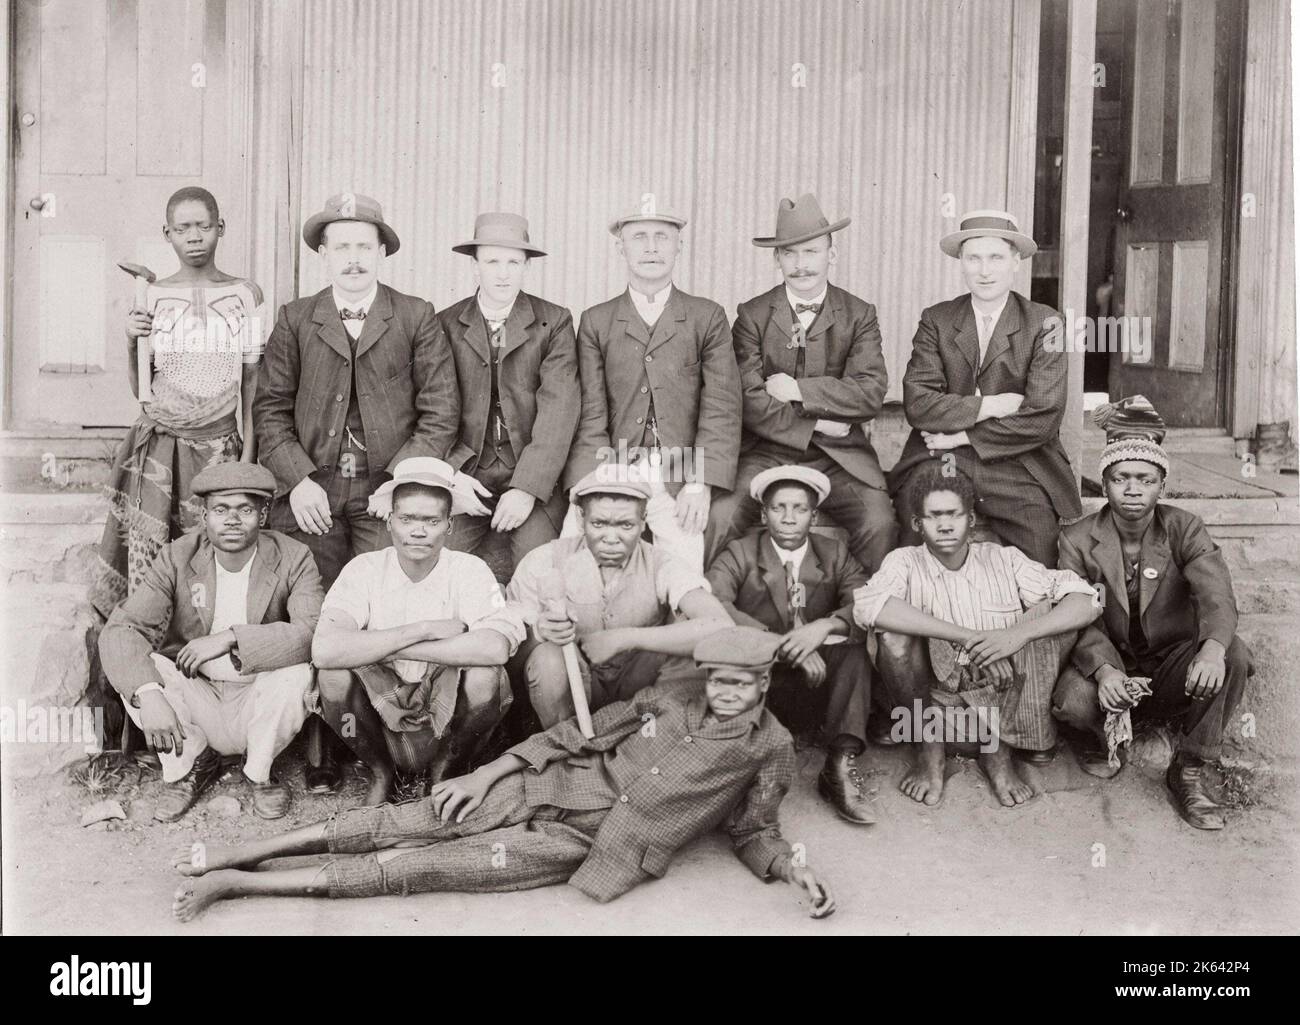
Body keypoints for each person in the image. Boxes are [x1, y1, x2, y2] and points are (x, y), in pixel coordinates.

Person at [169, 627, 835, 923]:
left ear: (763, 682)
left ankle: (233, 887)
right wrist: (484, 775)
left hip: (591, 844)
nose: (723, 691)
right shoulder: (668, 697)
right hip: (551, 782)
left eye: (739, 683)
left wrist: (792, 869)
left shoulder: (767, 746)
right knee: (410, 818)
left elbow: (754, 827)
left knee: (419, 867)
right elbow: (575, 733)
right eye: (717, 678)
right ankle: (243, 853)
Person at [254, 192, 461, 791]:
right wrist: (298, 481)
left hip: (384, 490)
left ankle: (395, 747)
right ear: (322, 253)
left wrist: (398, 480)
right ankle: (321, 749)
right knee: (314, 612)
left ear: (381, 253)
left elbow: (439, 412)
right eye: (340, 247)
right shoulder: (297, 318)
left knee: (387, 608)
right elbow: (269, 412)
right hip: (315, 489)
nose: (352, 259)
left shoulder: (415, 315)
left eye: (363, 247)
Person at [1053, 396, 1252, 831]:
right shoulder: (1077, 538)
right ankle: (1107, 738)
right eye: (1120, 478)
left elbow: (1217, 596)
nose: (1132, 489)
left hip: (1168, 668)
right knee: (1070, 702)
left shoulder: (1184, 528)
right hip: (1112, 666)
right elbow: (1076, 613)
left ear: (1162, 485)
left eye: (1145, 479)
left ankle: (1189, 768)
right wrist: (1106, 673)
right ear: (1103, 484)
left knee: (1233, 655)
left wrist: (1212, 649)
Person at [852, 464, 1099, 808]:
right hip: (930, 711)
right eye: (934, 516)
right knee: (892, 636)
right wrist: (969, 639)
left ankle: (998, 755)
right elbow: (868, 608)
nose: (945, 524)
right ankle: (930, 754)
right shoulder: (904, 562)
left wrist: (1013, 638)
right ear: (917, 524)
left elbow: (1086, 601)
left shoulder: (1005, 559)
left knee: (1044, 611)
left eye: (954, 514)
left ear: (971, 520)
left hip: (1005, 704)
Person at [98, 463, 322, 821]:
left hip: (257, 700)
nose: (232, 520)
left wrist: (230, 638)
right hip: (196, 697)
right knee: (142, 671)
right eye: (220, 510)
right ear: (204, 516)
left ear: (263, 515)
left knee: (297, 673)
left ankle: (260, 772)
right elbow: (123, 630)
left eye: (245, 510)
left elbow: (312, 632)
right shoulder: (178, 556)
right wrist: (149, 693)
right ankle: (191, 765)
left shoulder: (294, 556)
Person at [90, 186, 265, 617]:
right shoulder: (152, 297)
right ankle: (149, 639)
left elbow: (252, 380)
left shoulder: (245, 295)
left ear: (220, 228)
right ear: (166, 233)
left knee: (210, 547)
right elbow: (142, 391)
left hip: (219, 444)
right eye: (183, 228)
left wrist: (249, 449)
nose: (194, 236)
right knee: (154, 552)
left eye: (204, 226)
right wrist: (131, 340)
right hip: (161, 446)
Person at [311, 458, 527, 806]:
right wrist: (423, 630)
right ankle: (381, 771)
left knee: (486, 677)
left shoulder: (470, 569)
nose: (418, 531)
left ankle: (447, 769)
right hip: (380, 709)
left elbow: (494, 649)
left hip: (446, 704)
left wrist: (389, 647)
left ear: (450, 526)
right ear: (391, 521)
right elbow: (325, 650)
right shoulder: (364, 568)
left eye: (431, 520)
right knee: (332, 677)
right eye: (407, 519)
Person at [705, 194, 896, 575]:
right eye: (789, 254)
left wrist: (797, 390)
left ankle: (868, 623)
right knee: (719, 517)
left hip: (839, 455)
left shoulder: (859, 314)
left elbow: (869, 392)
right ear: (776, 259)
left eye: (811, 251)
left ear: (832, 254)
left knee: (880, 523)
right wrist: (819, 422)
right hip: (766, 450)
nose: (801, 264)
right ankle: (711, 621)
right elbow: (749, 398)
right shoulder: (753, 315)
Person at [889, 210, 1081, 568]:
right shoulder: (938, 319)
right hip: (941, 459)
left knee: (1040, 547)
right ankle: (920, 619)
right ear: (960, 263)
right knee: (918, 523)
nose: (985, 270)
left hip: (1017, 462)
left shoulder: (1047, 323)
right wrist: (990, 405)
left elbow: (1042, 417)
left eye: (996, 257)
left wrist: (961, 436)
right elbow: (919, 403)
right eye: (973, 258)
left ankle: (1031, 624)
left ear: (1016, 263)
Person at [564, 201, 742, 571]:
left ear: (679, 246)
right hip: (613, 464)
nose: (651, 247)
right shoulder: (597, 321)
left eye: (663, 237)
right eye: (639, 237)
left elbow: (721, 407)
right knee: (572, 558)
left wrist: (700, 482)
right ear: (621, 248)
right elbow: (591, 412)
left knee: (683, 570)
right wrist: (590, 482)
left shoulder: (706, 316)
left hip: (680, 472)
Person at [707, 465, 875, 824]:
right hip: (764, 685)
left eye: (799, 509)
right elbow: (714, 603)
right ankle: (746, 769)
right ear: (764, 513)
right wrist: (782, 644)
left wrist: (824, 626)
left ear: (814, 517)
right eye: (779, 508)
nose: (788, 518)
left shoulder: (833, 553)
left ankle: (839, 766)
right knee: (734, 656)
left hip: (816, 689)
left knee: (853, 654)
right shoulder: (740, 552)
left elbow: (865, 601)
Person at [506, 469, 732, 728]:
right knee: (547, 658)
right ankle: (565, 747)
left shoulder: (662, 564)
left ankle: (643, 738)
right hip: (573, 693)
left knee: (688, 653)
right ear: (581, 520)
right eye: (599, 524)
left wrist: (625, 638)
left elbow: (721, 627)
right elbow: (507, 658)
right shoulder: (544, 560)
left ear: (643, 520)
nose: (611, 538)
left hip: (638, 689)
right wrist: (539, 632)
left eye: (625, 525)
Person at [438, 213, 579, 574]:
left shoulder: (555, 321)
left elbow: (558, 412)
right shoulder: (445, 324)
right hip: (469, 474)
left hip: (529, 473)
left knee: (537, 567)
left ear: (527, 267)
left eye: (514, 262)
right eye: (492, 261)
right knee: (446, 564)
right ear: (475, 266)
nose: (503, 273)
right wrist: (453, 475)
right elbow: (434, 409)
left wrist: (527, 488)